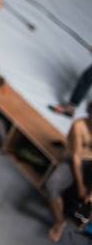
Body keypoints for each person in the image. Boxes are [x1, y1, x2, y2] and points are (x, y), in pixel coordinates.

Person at [46, 104, 92, 242]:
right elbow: (76, 157)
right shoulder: (80, 126)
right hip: (73, 161)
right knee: (52, 185)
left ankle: (83, 223)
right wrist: (80, 187)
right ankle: (59, 222)